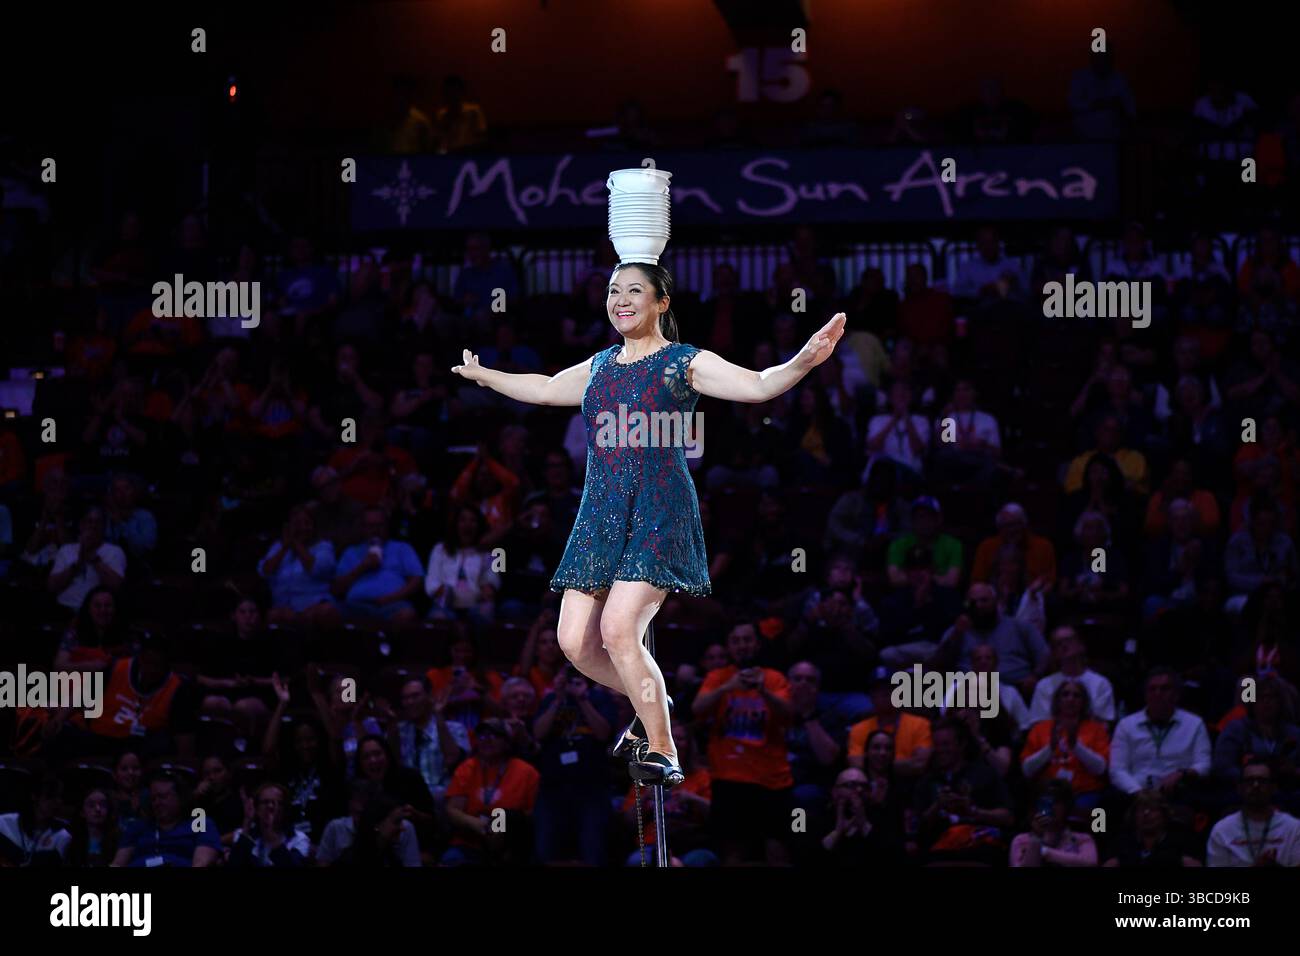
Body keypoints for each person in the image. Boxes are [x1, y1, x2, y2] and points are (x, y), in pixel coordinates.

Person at [450, 260, 845, 786]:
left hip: (659, 509)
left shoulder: (681, 362)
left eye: (634, 290)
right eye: (614, 291)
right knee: (573, 642)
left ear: (662, 303)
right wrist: (484, 375)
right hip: (599, 515)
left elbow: (757, 385)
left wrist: (804, 360)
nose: (621, 299)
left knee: (617, 629)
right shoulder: (600, 365)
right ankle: (651, 694)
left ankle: (664, 747)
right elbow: (545, 388)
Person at [692, 619, 796, 865]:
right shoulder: (718, 677)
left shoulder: (774, 678)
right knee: (733, 853)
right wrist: (727, 687)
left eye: (747, 640)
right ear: (729, 646)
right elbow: (698, 709)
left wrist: (763, 691)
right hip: (729, 779)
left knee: (778, 850)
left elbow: (790, 714)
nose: (742, 646)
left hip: (772, 779)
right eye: (736, 641)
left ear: (757, 644)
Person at [531, 665, 617, 866]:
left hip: (591, 788)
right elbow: (538, 733)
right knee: (547, 851)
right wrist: (559, 699)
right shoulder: (550, 700)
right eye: (567, 675)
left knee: (592, 851)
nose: (571, 681)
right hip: (553, 789)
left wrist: (582, 699)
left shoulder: (599, 699)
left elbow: (603, 733)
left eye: (577, 676)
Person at [909, 718, 1014, 865]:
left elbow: (1008, 817)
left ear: (962, 745)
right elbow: (916, 827)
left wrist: (973, 811)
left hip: (978, 849)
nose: (940, 750)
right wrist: (937, 806)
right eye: (937, 745)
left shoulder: (985, 774)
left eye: (946, 744)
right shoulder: (927, 781)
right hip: (938, 852)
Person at [442, 718, 540, 866]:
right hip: (470, 841)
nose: (487, 740)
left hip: (511, 844)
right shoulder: (467, 768)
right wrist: (476, 824)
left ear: (507, 742)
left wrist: (497, 826)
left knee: (503, 815)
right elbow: (452, 810)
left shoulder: (526, 772)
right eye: (482, 736)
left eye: (494, 735)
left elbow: (533, 816)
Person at [1109, 668, 1212, 797]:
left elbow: (1204, 764)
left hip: (1178, 791)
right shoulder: (1126, 725)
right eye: (1152, 689)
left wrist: (1182, 774)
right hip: (1136, 793)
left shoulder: (1195, 724)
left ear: (1176, 694)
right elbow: (1117, 770)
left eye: (1164, 689)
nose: (1157, 693)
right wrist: (1138, 792)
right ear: (1145, 695)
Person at [1020, 680, 1110, 806]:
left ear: (1084, 702)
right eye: (1065, 694)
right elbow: (1027, 770)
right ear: (1057, 700)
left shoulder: (1096, 729)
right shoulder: (1040, 729)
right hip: (1048, 793)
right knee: (1043, 816)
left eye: (1076, 695)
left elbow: (1100, 769)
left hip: (1086, 794)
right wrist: (1050, 748)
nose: (1070, 699)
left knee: (1096, 817)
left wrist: (1075, 746)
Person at [332, 506, 424, 627]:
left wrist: (391, 598)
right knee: (327, 612)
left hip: (392, 604)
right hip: (356, 605)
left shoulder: (402, 548)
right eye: (370, 526)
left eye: (379, 525)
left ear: (387, 526)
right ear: (363, 528)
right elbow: (336, 588)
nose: (375, 530)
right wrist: (362, 567)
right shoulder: (351, 552)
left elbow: (417, 580)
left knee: (407, 614)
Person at [111, 773, 221, 867]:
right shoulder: (138, 827)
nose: (157, 803)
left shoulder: (200, 823)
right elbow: (118, 863)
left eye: (163, 797)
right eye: (153, 798)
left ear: (180, 798)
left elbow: (201, 864)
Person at [258, 504, 340, 628]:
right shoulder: (279, 547)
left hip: (314, 607)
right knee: (271, 616)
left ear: (314, 526)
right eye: (297, 523)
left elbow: (317, 569)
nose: (302, 528)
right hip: (283, 609)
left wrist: (297, 544)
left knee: (326, 612)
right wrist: (285, 547)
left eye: (307, 523)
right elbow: (265, 571)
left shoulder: (323, 547)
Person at [1206, 760, 1300, 866]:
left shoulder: (1294, 828)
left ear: (1273, 788)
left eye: (1262, 781)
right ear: (1239, 788)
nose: (1256, 785)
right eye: (1249, 781)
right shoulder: (1221, 831)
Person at [393, 677, 471, 801]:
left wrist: (439, 716)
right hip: (408, 800)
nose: (410, 702)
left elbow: (453, 761)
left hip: (443, 800)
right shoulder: (399, 731)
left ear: (429, 696)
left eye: (415, 696)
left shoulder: (454, 728)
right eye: (405, 698)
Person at [316, 781, 421, 867]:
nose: (402, 828)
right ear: (376, 823)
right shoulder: (350, 859)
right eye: (396, 822)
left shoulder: (388, 855)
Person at [1028, 626, 1117, 725]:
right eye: (1058, 643)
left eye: (1068, 640)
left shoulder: (1101, 683)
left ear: (1081, 645)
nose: (1063, 645)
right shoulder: (1044, 685)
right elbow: (1040, 723)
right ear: (1054, 652)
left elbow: (1104, 723)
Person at [847, 676, 932, 777]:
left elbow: (919, 765)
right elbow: (856, 766)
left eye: (890, 689)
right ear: (871, 697)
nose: (885, 694)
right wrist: (904, 764)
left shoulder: (921, 724)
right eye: (878, 691)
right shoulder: (858, 729)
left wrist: (875, 765)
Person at [47, 505, 126, 611]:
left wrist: (94, 559)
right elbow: (52, 587)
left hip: (98, 614)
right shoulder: (66, 549)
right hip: (64, 609)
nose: (93, 526)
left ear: (104, 527)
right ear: (81, 525)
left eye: (98, 522)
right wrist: (76, 565)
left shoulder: (115, 552)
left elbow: (116, 586)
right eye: (89, 521)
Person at [1009, 779, 1098, 867]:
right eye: (1046, 801)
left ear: (1066, 806)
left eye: (1057, 801)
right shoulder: (1021, 840)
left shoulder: (1082, 839)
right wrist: (1036, 840)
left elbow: (1090, 863)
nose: (1052, 806)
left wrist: (1046, 852)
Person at [1102, 789, 1201, 867]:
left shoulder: (1182, 838)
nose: (1146, 814)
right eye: (1141, 810)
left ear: (1164, 814)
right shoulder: (1122, 840)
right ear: (1134, 815)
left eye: (1152, 809)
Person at [228, 781, 311, 867]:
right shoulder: (243, 835)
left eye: (278, 803)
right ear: (256, 807)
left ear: (285, 809)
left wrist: (270, 832)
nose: (270, 806)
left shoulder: (298, 839)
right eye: (265, 802)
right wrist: (247, 821)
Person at [0, 775, 72, 866]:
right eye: (50, 796)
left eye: (59, 797)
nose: (57, 802)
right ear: (34, 796)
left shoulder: (62, 835)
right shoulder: (3, 823)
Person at [66, 788, 119, 867]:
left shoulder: (119, 840)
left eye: (103, 804)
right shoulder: (71, 841)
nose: (98, 809)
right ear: (82, 812)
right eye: (91, 805)